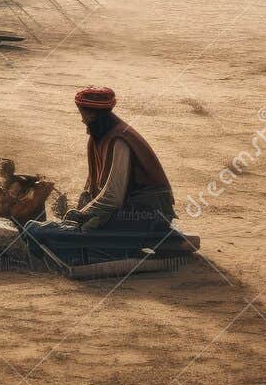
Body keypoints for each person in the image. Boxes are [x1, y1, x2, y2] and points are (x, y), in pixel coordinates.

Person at [20, 87, 179, 263]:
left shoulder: (119, 140)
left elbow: (113, 197)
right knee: (45, 229)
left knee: (36, 230)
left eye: (84, 115)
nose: (82, 120)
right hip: (125, 214)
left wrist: (82, 214)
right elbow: (93, 190)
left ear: (94, 115)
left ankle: (151, 238)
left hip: (142, 217)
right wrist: (79, 211)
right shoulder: (99, 138)